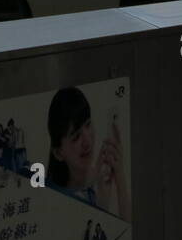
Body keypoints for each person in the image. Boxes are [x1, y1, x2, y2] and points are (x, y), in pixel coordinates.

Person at [46, 87, 131, 222]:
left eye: (88, 125)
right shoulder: (53, 200)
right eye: (76, 137)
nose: (87, 141)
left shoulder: (104, 178)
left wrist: (120, 177)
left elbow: (127, 236)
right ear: (58, 153)